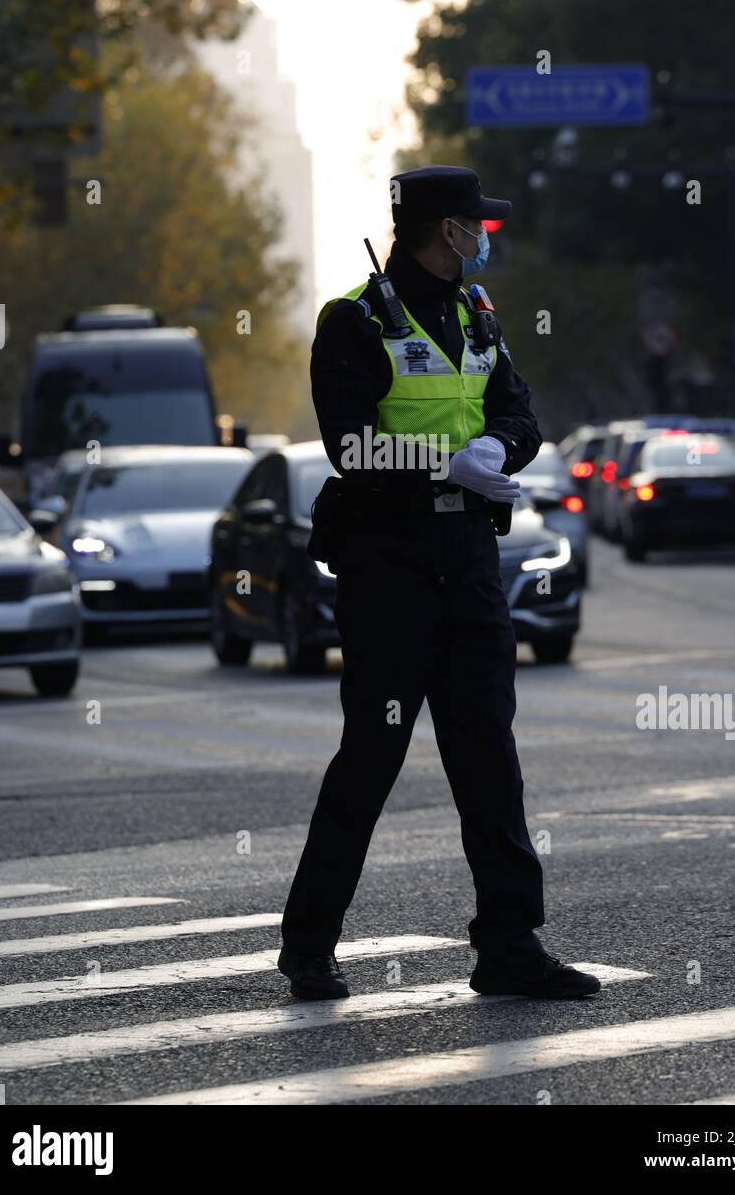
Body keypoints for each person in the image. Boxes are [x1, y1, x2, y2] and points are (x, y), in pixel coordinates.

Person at [278, 166, 600, 1003]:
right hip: (389, 562)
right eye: (474, 223)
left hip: (467, 557)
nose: (484, 236)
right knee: (372, 756)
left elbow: (519, 413)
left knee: (488, 753)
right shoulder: (351, 320)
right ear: (441, 230)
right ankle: (308, 947)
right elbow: (350, 447)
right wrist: (440, 464)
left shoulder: (475, 313)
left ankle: (509, 946)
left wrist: (497, 450)